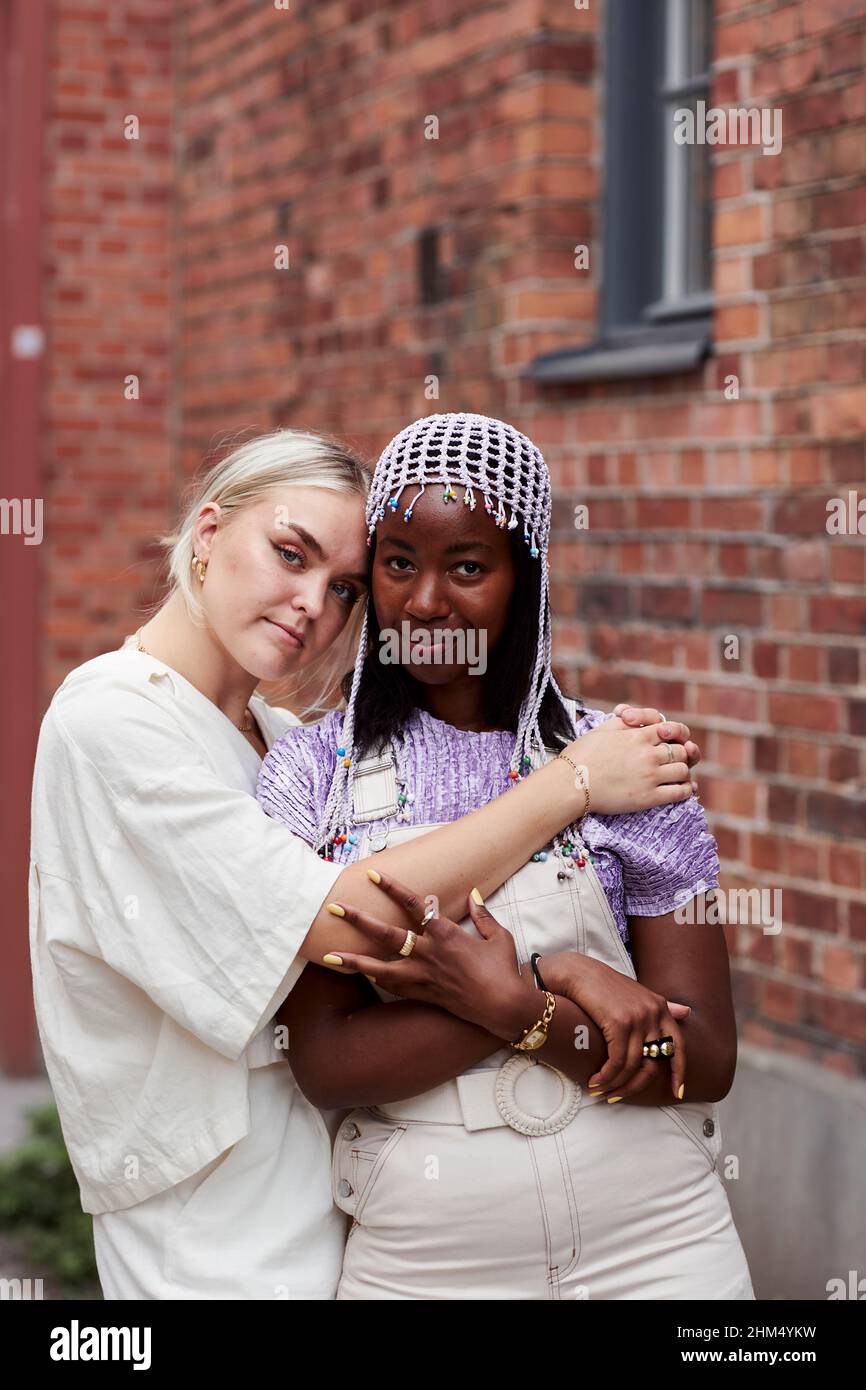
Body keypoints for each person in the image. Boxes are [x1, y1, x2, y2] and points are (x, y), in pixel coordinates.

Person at [28, 425, 700, 1300]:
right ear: (207, 535)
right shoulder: (111, 723)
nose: (314, 603)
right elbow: (344, 923)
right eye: (288, 553)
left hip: (334, 1189)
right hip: (209, 1216)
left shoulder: (276, 742)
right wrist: (574, 788)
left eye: (343, 584)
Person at [258, 411, 755, 1300]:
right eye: (399, 561)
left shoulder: (629, 762)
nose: (425, 603)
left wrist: (512, 1002)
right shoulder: (311, 780)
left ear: (526, 580)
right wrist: (556, 980)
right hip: (431, 1260)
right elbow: (326, 1059)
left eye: (469, 568)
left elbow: (703, 1059)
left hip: (661, 1244)